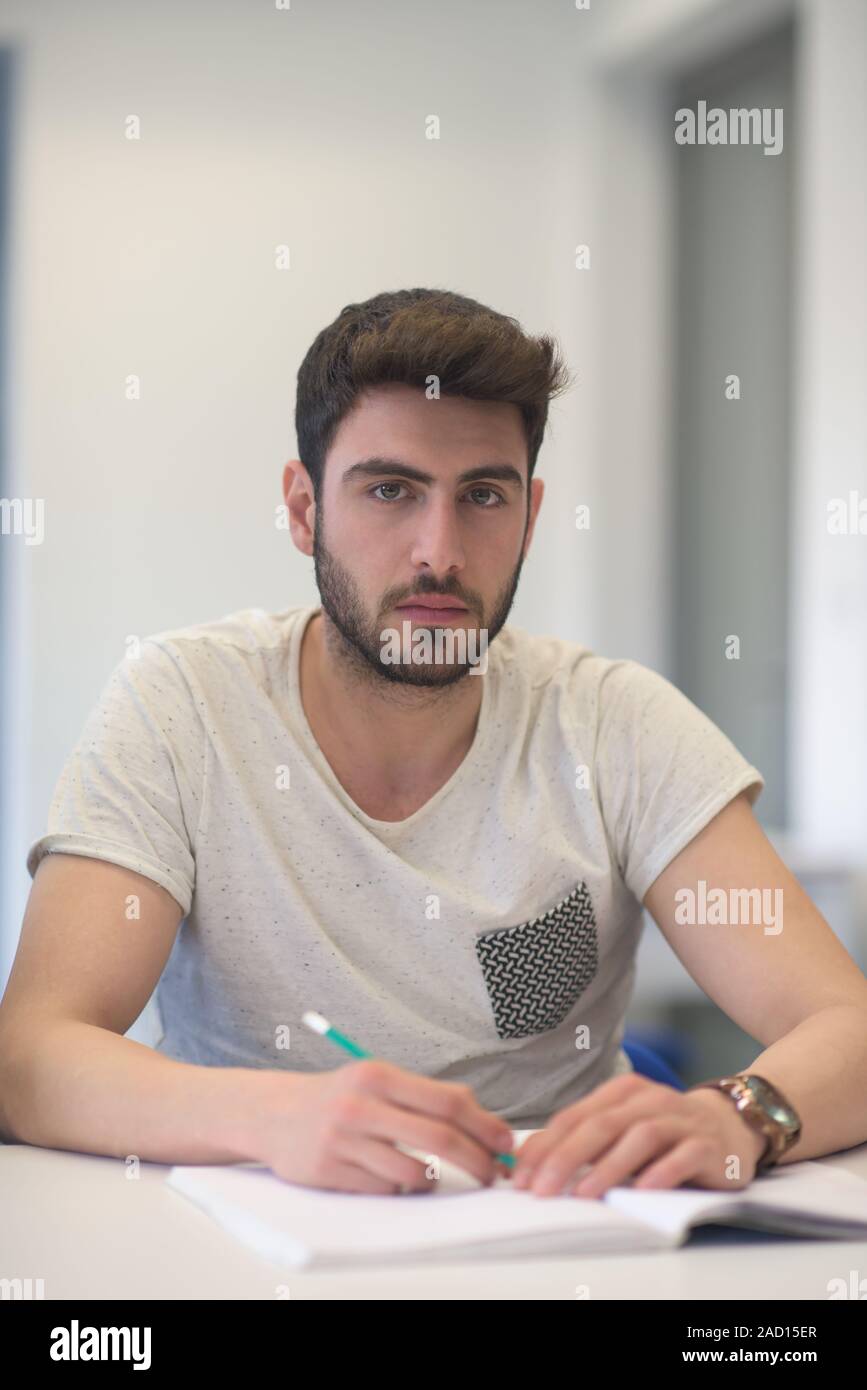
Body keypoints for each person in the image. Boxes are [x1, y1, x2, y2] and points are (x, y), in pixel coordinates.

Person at [2, 288, 866, 1200]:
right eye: (389, 490)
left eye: (482, 495)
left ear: (530, 517)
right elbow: (30, 1056)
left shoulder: (618, 724)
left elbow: (843, 1023)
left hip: (564, 1235)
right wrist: (267, 1116)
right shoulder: (180, 705)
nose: (438, 551)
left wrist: (738, 1112)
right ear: (303, 510)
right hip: (257, 1233)